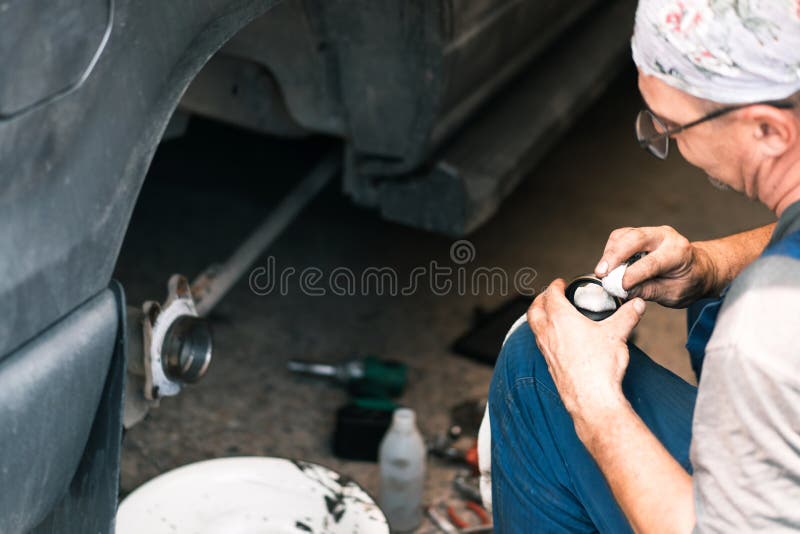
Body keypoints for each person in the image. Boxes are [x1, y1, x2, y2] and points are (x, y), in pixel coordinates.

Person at [478, 1, 800, 532]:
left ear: (768, 129)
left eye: (674, 125)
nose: (667, 142)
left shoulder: (762, 333)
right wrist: (712, 262)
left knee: (540, 373)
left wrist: (595, 404)